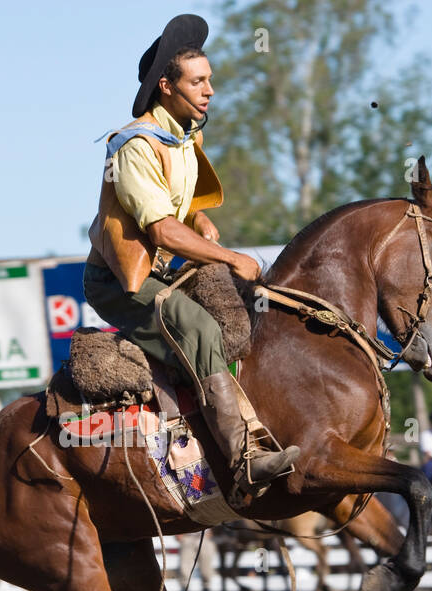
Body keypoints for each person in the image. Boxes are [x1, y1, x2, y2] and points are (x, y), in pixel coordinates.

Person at [81, 14, 298, 504]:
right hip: (122, 284)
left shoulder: (184, 135)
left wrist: (201, 220)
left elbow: (184, 205)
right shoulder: (134, 145)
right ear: (166, 86)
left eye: (210, 80)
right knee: (198, 329)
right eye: (199, 81)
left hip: (166, 271)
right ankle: (245, 459)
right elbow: (160, 228)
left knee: (244, 318)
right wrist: (227, 255)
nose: (210, 91)